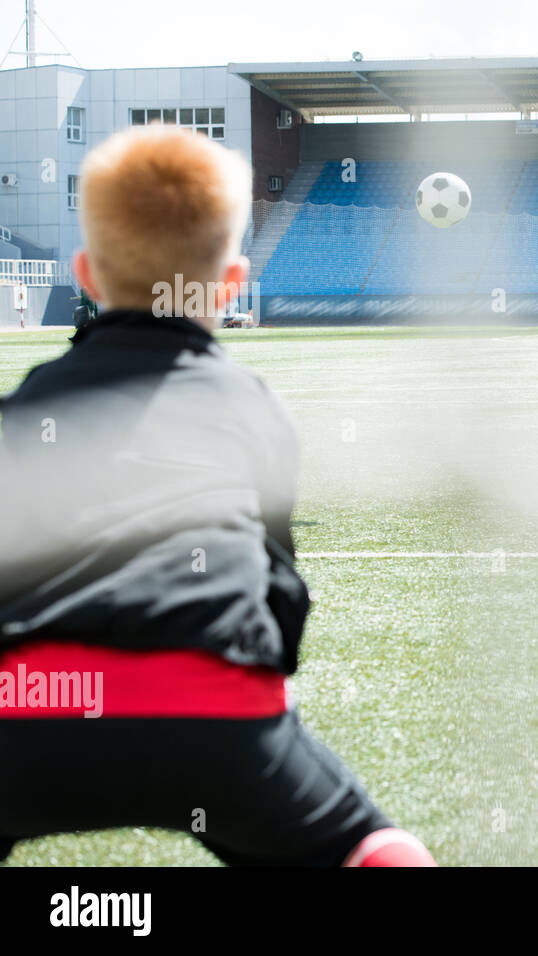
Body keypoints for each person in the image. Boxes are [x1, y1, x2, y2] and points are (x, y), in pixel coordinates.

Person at [0, 124, 436, 867]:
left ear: (85, 275)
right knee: (376, 852)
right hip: (213, 713)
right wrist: (262, 682)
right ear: (231, 284)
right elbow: (280, 585)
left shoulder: (25, 412)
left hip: (30, 707)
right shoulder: (250, 405)